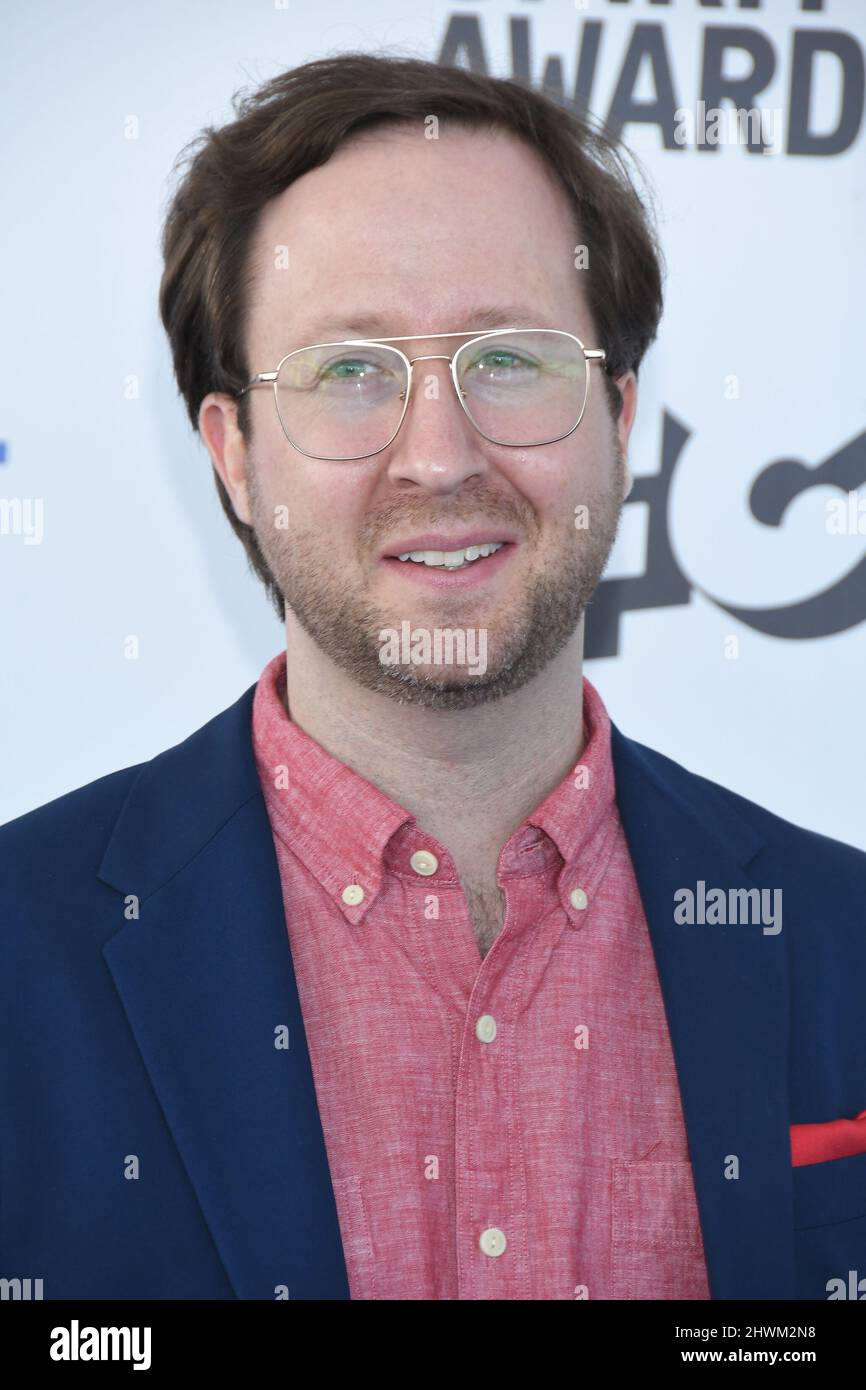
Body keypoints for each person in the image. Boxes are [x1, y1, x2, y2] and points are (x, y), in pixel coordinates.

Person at [2, 52, 865, 1303]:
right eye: (348, 370)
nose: (440, 456)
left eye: (507, 358)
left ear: (619, 419)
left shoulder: (839, 936)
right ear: (232, 454)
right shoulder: (19, 950)